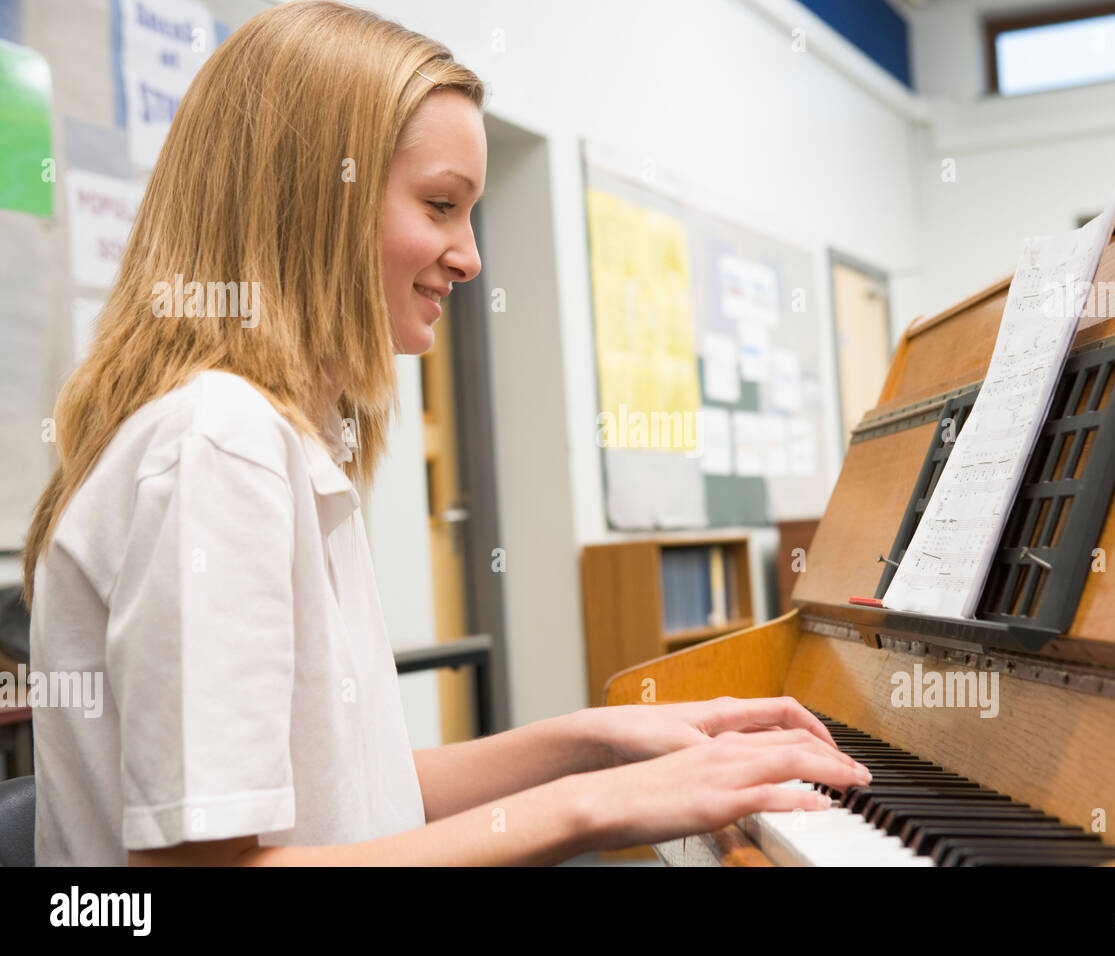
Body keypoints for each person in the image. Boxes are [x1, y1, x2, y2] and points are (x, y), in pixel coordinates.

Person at [21, 0, 868, 866]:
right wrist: (596, 808)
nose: (468, 256)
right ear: (313, 198)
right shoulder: (219, 443)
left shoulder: (271, 436)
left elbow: (361, 792)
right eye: (439, 205)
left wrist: (600, 740)